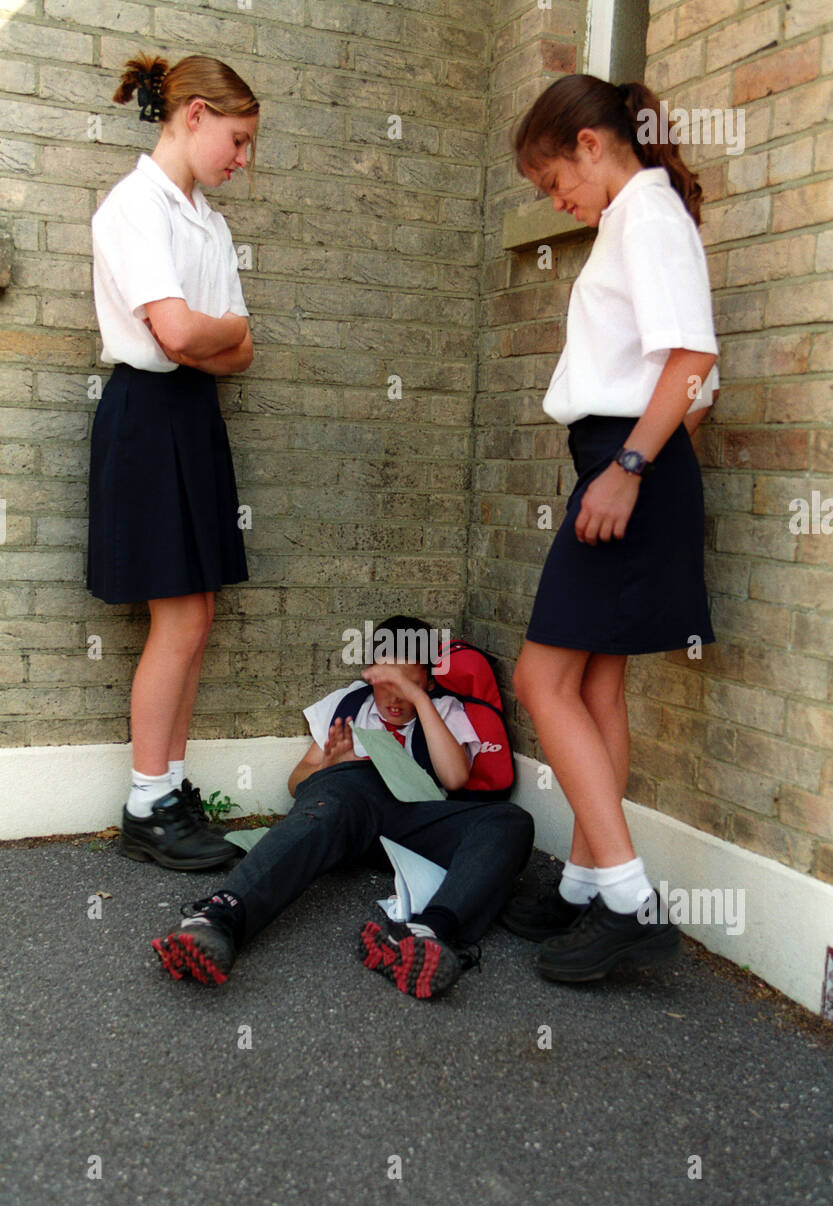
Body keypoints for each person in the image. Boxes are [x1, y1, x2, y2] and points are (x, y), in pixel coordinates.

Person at [507, 75, 719, 983]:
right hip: (623, 463)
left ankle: (631, 904)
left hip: (626, 470)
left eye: (555, 181)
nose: (557, 201)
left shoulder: (646, 214)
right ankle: (589, 886)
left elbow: (694, 358)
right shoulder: (633, 217)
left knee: (539, 679)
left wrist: (630, 469)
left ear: (591, 144)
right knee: (593, 687)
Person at [152, 617, 536, 999]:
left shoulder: (445, 709)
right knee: (338, 792)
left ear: (430, 681)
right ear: (371, 676)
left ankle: (425, 934)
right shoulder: (348, 704)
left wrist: (422, 700)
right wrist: (330, 769)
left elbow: (454, 778)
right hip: (347, 812)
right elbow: (296, 783)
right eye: (388, 683)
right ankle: (220, 916)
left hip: (413, 823)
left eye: (411, 685)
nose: (397, 698)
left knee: (509, 821)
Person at [87, 52, 259, 871]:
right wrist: (207, 330)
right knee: (178, 616)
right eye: (238, 138)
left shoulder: (209, 222)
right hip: (147, 416)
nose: (243, 158)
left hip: (192, 416)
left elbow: (241, 350)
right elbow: (185, 335)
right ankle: (144, 803)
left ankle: (172, 787)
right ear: (193, 114)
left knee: (201, 611)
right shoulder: (134, 206)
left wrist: (205, 332)